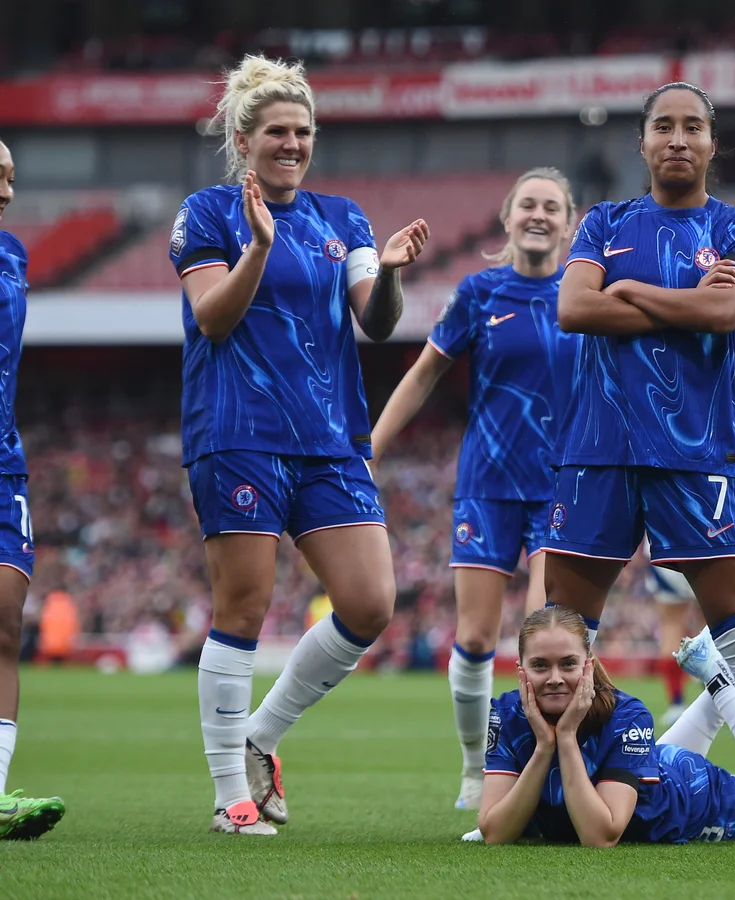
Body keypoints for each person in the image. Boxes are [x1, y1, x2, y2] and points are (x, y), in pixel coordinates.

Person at [547, 81, 735, 848]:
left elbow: (723, 311)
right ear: (642, 142)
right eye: (662, 125)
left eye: (691, 126)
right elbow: (573, 309)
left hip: (697, 453)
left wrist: (627, 289)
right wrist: (675, 296)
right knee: (562, 635)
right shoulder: (603, 220)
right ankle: (547, 791)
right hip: (596, 450)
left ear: (711, 143)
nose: (677, 138)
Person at [169, 55, 430, 835]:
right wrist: (257, 246)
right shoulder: (207, 213)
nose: (292, 143)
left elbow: (376, 321)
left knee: (370, 601)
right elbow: (212, 318)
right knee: (243, 605)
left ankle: (261, 735)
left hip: (327, 438)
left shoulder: (342, 218)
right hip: (238, 430)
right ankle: (230, 797)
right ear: (243, 139)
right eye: (277, 131)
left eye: (303, 131)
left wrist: (385, 274)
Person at [370, 167, 579, 811]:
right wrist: (367, 451)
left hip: (560, 489)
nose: (538, 214)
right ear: (507, 218)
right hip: (487, 484)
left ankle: (542, 773)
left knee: (545, 635)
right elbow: (424, 373)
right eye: (528, 205)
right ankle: (474, 768)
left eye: (552, 206)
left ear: (570, 222)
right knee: (477, 639)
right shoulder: (480, 292)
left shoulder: (586, 296)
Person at [471, 606, 735, 846]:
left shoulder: (628, 715)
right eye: (540, 666)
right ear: (520, 671)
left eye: (568, 664)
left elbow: (600, 835)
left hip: (691, 797)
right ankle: (715, 672)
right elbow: (496, 831)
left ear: (587, 665)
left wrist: (564, 738)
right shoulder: (506, 713)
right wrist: (543, 747)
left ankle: (724, 679)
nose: (554, 678)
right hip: (648, 768)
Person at [0, 139, 67, 841]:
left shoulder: (13, 254)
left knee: (4, 617)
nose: (8, 190)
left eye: (12, 178)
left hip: (3, 466)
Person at [642, 542, 696, 727]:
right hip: (707, 540)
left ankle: (677, 703)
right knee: (712, 625)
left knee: (671, 625)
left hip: (664, 545)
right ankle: (719, 700)